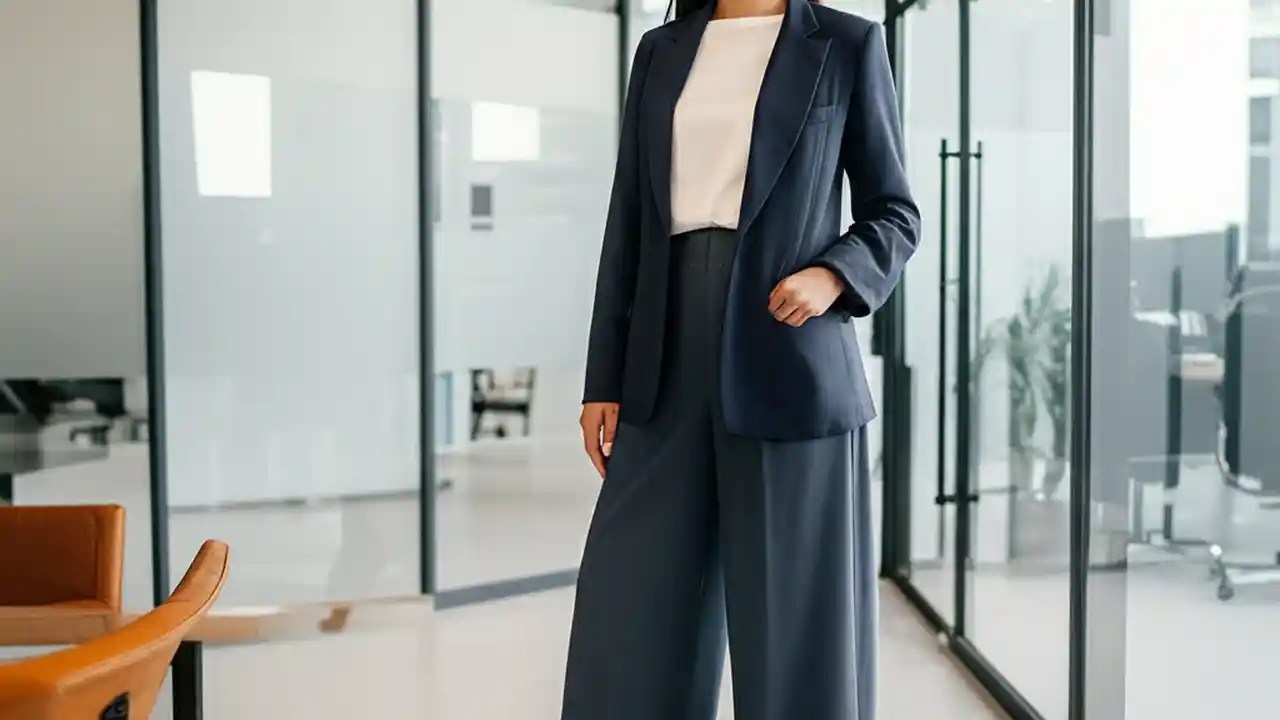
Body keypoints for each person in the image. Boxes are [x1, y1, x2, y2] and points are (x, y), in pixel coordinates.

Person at [561, 0, 918, 717]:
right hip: (661, 361)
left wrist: (834, 276)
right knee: (628, 613)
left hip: (789, 356)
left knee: (794, 625)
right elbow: (628, 220)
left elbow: (894, 212)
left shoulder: (847, 43)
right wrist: (604, 376)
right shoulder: (661, 50)